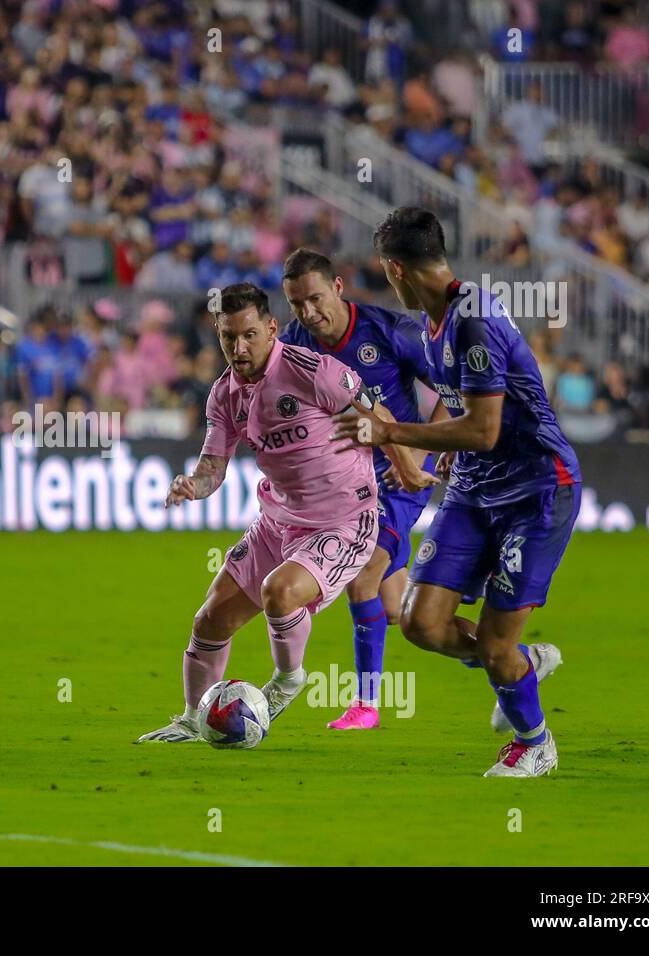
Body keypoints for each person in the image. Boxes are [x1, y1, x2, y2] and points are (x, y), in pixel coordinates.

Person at [334, 207, 582, 778]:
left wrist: (392, 431)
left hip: (536, 490)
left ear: (394, 269)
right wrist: (445, 445)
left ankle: (534, 741)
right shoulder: (435, 319)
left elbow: (485, 428)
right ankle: (521, 665)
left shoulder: (472, 320)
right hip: (473, 488)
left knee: (495, 647)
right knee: (422, 623)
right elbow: (468, 420)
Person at [137, 283, 421, 743]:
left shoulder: (315, 371)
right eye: (228, 337)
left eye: (249, 334)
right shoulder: (223, 394)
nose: (238, 347)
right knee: (209, 620)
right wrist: (194, 485)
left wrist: (407, 466)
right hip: (278, 522)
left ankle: (288, 680)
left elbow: (379, 414)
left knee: (280, 591)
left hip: (344, 519)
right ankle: (192, 718)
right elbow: (214, 467)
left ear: (271, 329)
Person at [279, 249, 442, 729]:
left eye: (314, 299)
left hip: (396, 476)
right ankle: (514, 661)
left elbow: (457, 389)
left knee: (362, 571)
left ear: (338, 287)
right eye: (296, 305)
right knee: (404, 616)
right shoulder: (293, 342)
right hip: (342, 483)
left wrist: (421, 454)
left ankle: (365, 705)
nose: (309, 314)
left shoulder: (389, 332)